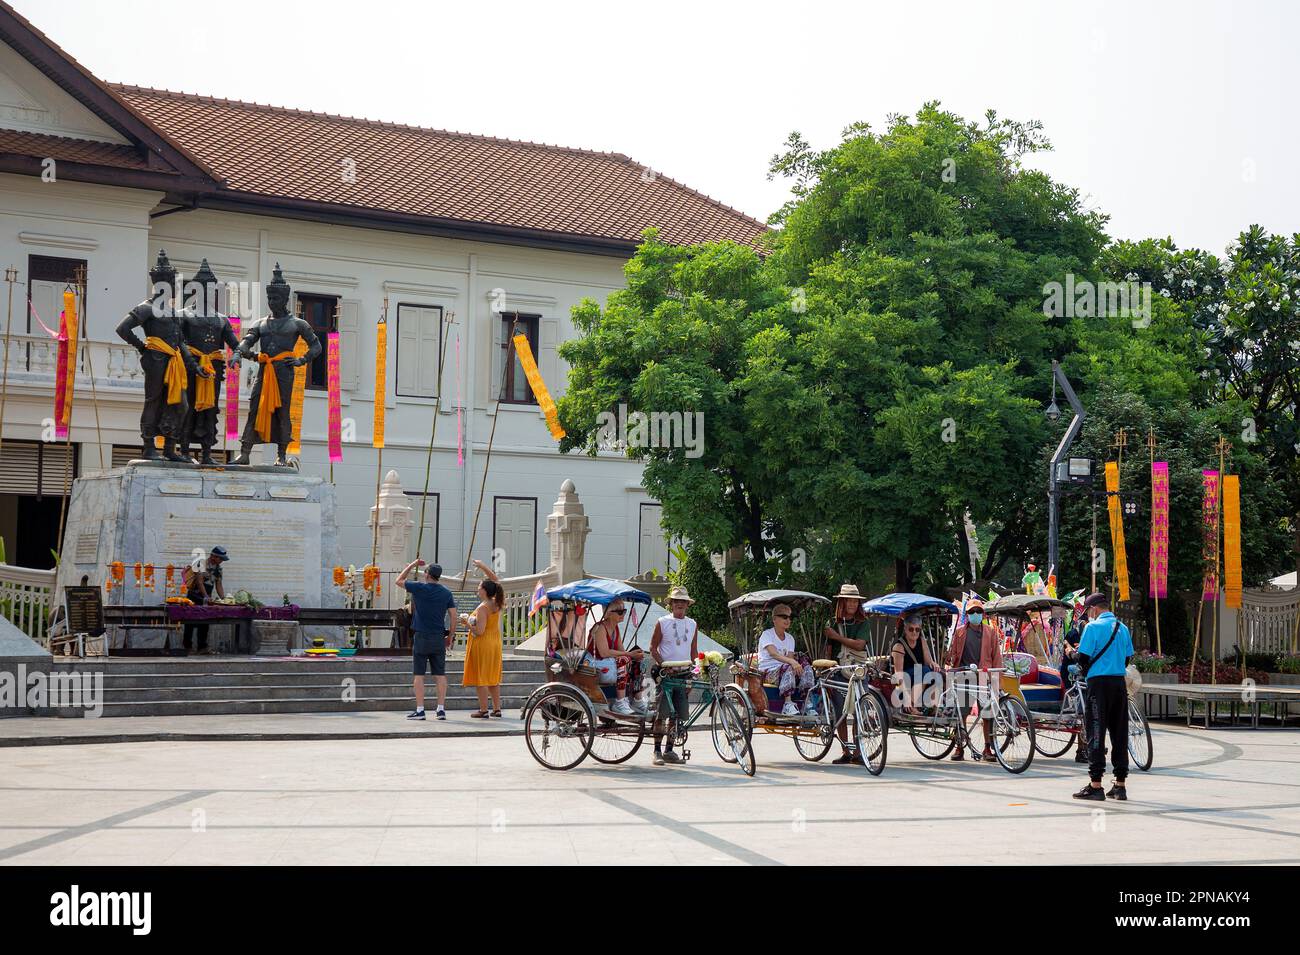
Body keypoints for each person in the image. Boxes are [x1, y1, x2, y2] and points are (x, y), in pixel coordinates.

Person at [1072, 593, 1135, 801]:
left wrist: (1076, 658)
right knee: (1119, 733)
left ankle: (1096, 784)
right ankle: (1120, 785)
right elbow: (1127, 659)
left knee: (1096, 732)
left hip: (1098, 685)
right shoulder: (1123, 628)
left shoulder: (1092, 628)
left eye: (1088, 612)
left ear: (1094, 610)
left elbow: (1083, 659)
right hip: (1119, 684)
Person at [396, 558, 457, 721]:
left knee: (419, 674)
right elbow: (453, 616)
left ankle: (420, 710)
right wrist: (450, 636)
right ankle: (441, 709)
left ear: (427, 574)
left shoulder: (419, 588)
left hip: (422, 636)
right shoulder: (446, 592)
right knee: (440, 675)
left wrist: (412, 565)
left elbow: (399, 580)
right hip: (438, 637)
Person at [945, 597, 1003, 761]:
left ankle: (987, 748)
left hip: (984, 675)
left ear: (983, 614)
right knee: (961, 713)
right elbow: (953, 654)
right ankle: (959, 746)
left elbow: (996, 657)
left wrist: (998, 680)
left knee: (987, 714)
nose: (975, 614)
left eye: (978, 612)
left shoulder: (990, 632)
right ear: (967, 615)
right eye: (972, 612)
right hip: (964, 675)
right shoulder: (960, 632)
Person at [822, 583, 872, 764]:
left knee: (860, 710)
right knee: (840, 712)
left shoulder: (863, 622)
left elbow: (860, 644)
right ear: (842, 602)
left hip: (857, 669)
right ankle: (846, 751)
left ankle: (858, 752)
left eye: (855, 601)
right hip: (837, 670)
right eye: (849, 601)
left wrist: (837, 637)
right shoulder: (832, 622)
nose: (852, 604)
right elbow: (828, 648)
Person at [649, 586, 698, 765]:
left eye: (683, 601)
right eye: (676, 601)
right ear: (671, 604)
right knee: (661, 713)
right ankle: (656, 751)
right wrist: (664, 665)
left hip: (684, 673)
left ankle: (669, 750)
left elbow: (693, 651)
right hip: (666, 674)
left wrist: (697, 668)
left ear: (687, 605)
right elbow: (653, 649)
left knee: (677, 714)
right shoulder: (662, 622)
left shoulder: (692, 624)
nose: (680, 604)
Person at [586, 598, 646, 717]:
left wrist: (633, 655)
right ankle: (619, 701)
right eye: (620, 612)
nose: (623, 614)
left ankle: (637, 700)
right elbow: (604, 653)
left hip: (608, 662)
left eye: (624, 611)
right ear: (608, 613)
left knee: (637, 660)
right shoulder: (599, 628)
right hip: (595, 663)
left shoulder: (615, 628)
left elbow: (621, 651)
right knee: (623, 660)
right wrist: (629, 655)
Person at [461, 560, 505, 718]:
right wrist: (482, 566)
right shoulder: (497, 603)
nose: (477, 589)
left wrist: (466, 624)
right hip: (495, 642)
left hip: (483, 643)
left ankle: (483, 709)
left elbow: (479, 631)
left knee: (482, 677)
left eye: (479, 587)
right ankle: (497, 708)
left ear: (485, 591)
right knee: (493, 677)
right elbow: (496, 582)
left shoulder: (483, 608)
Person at [757, 602, 813, 717]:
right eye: (784, 617)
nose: (787, 620)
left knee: (806, 666)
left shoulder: (790, 638)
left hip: (784, 669)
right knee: (789, 666)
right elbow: (774, 654)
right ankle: (787, 703)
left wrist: (796, 663)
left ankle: (807, 701)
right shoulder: (767, 634)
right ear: (774, 619)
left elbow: (790, 658)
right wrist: (792, 662)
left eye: (789, 617)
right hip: (768, 671)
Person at [181, 546, 227, 654]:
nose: (221, 561)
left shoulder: (218, 569)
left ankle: (202, 647)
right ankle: (187, 647)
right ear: (213, 556)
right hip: (194, 595)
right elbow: (199, 582)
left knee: (205, 622)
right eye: (220, 558)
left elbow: (218, 585)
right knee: (190, 622)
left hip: (207, 597)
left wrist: (224, 599)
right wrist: (206, 597)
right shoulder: (201, 564)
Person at [891, 613, 939, 715]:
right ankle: (911, 706)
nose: (914, 632)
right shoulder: (898, 646)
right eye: (911, 629)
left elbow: (928, 662)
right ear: (905, 629)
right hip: (904, 682)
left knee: (936, 673)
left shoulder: (921, 641)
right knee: (923, 670)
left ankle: (933, 708)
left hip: (920, 677)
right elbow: (898, 674)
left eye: (917, 630)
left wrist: (934, 664)